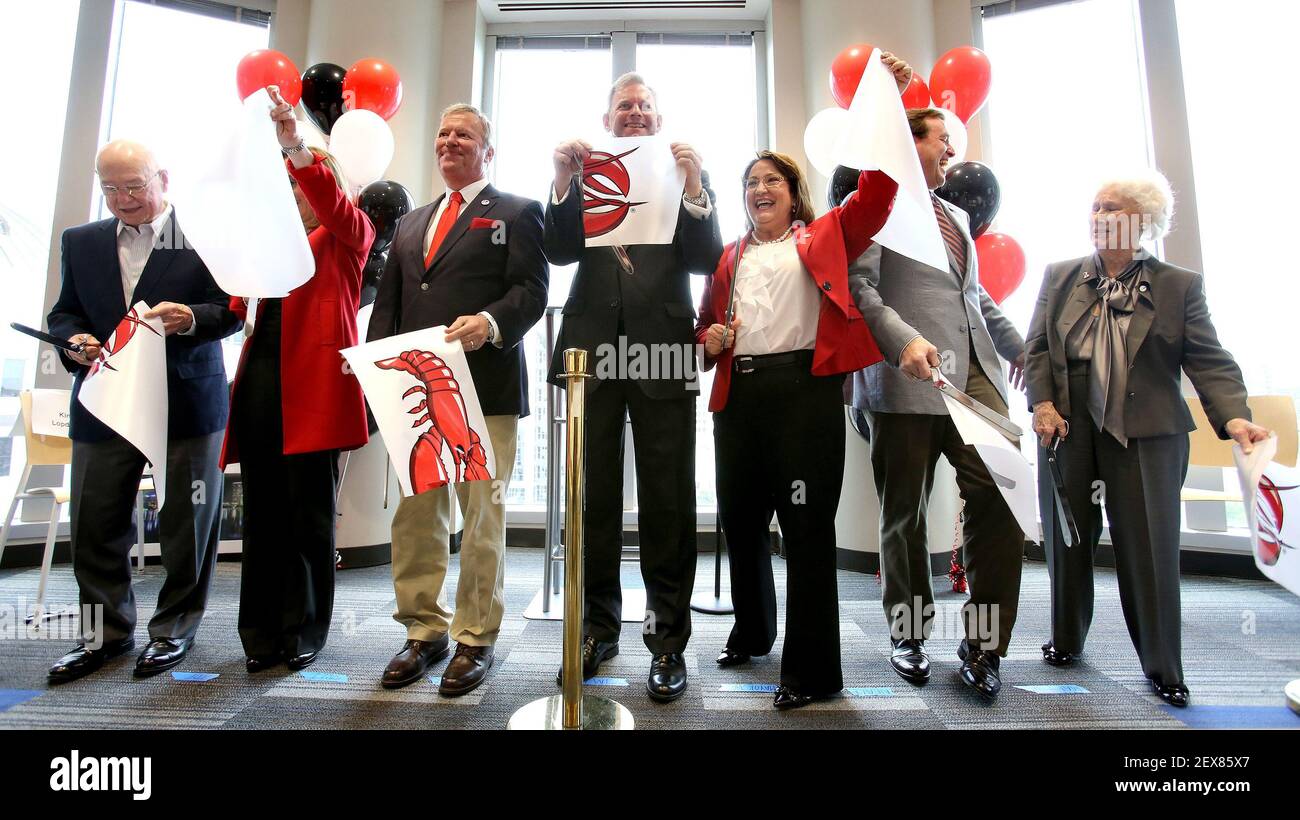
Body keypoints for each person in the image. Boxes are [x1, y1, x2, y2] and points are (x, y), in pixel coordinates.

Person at [1025, 172, 1270, 708]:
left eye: (1112, 208)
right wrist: (1042, 404)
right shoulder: (1062, 275)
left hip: (1148, 431)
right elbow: (1039, 347)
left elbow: (1209, 359)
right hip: (1069, 425)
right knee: (1068, 539)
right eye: (1094, 206)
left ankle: (1163, 665)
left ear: (1144, 222)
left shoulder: (1179, 285)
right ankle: (1066, 640)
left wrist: (1234, 419)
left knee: (1149, 548)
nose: (1099, 216)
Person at [544, 72, 723, 702]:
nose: (636, 114)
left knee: (668, 500)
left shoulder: (684, 179)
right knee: (591, 497)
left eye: (646, 106)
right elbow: (558, 252)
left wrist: (697, 188)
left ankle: (666, 639)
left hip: (663, 350)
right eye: (625, 106)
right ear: (608, 118)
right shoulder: (586, 174)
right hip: (592, 352)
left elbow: (706, 260)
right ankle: (597, 627)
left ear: (659, 117)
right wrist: (565, 181)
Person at [697, 148, 898, 708]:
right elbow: (703, 327)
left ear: (793, 191)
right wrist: (710, 340)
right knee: (741, 521)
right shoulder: (729, 255)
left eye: (771, 181)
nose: (760, 189)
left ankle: (811, 672)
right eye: (751, 183)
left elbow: (877, 194)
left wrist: (884, 113)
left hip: (803, 396)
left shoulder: (827, 234)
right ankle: (752, 632)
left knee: (806, 532)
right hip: (740, 399)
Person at [367, 103, 547, 696]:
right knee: (416, 514)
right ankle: (423, 628)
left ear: (487, 150)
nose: (449, 142)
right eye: (443, 133)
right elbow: (390, 306)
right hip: (413, 393)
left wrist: (492, 323)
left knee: (481, 518)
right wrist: (378, 377)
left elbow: (532, 290)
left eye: (463, 135)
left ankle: (474, 636)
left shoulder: (518, 213)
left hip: (485, 388)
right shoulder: (414, 222)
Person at [848, 107, 1027, 699]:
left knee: (1001, 494)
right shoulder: (879, 206)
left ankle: (983, 645)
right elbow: (860, 286)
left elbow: (973, 297)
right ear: (909, 142)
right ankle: (909, 633)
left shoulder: (955, 214)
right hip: (907, 375)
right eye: (941, 139)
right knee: (905, 513)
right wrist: (902, 341)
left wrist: (1020, 347)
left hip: (975, 376)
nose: (951, 150)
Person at [46, 139, 241, 682]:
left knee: (187, 521)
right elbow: (64, 313)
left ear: (163, 179)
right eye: (110, 188)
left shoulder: (204, 234)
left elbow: (232, 311)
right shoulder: (80, 241)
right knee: (95, 520)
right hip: (104, 399)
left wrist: (191, 318)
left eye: (134, 186)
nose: (123, 198)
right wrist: (73, 339)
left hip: (187, 398)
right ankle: (102, 634)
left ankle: (173, 630)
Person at [222, 86, 375, 673]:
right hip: (260, 383)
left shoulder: (345, 237)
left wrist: (298, 151)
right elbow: (238, 308)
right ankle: (259, 632)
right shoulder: (263, 245)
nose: (295, 194)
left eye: (302, 185)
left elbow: (335, 206)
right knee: (261, 514)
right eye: (287, 186)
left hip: (314, 391)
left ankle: (304, 627)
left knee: (309, 517)